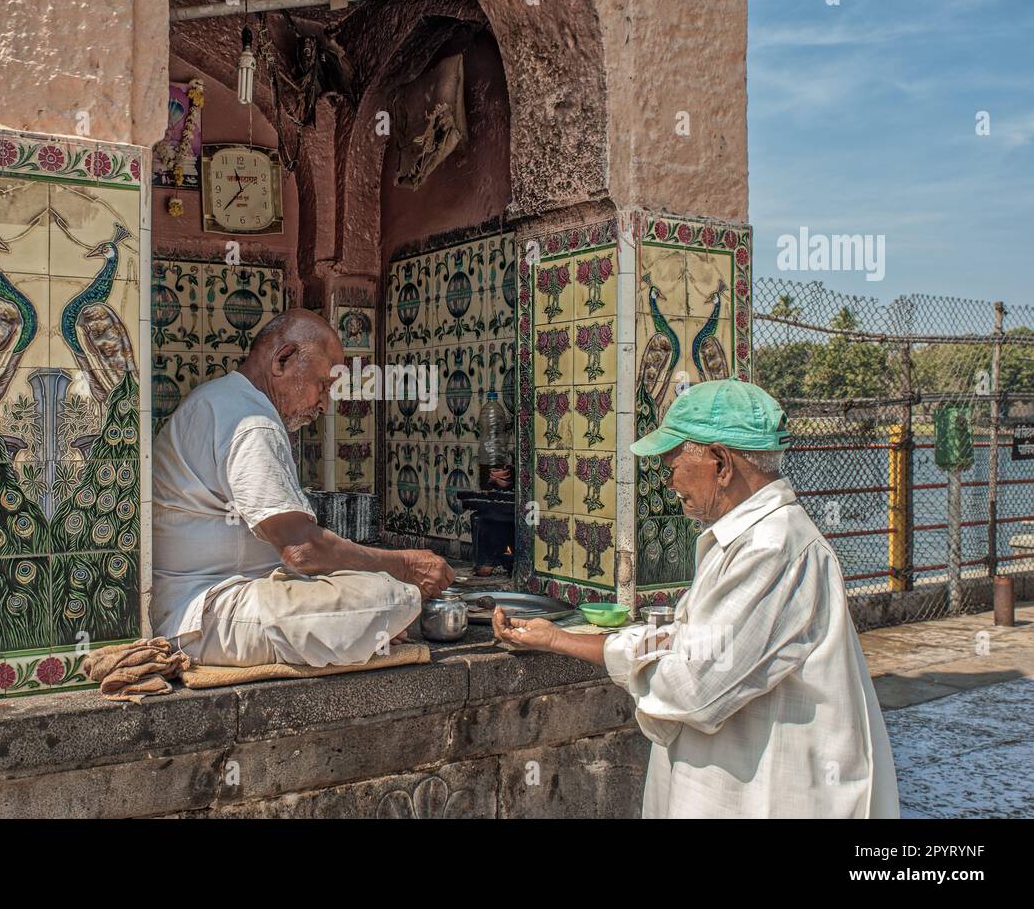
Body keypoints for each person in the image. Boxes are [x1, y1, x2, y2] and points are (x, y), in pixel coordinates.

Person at [494, 378, 900, 818]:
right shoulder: (746, 540)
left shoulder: (773, 547)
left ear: (720, 463)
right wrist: (556, 639)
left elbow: (694, 686)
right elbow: (687, 643)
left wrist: (629, 655)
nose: (670, 482)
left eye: (672, 466)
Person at [152, 309, 454, 667]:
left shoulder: (223, 400)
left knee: (360, 590)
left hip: (197, 607)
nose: (325, 403)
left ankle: (363, 626)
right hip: (207, 617)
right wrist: (404, 566)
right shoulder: (251, 423)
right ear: (283, 360)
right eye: (323, 384)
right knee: (389, 595)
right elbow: (303, 551)